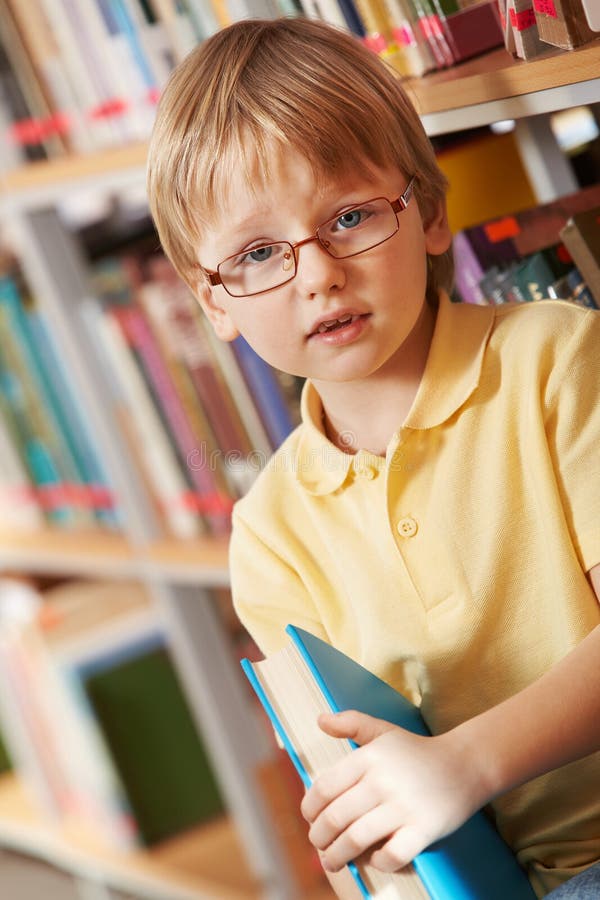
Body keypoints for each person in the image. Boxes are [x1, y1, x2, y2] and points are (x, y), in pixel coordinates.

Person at [146, 17, 600, 898]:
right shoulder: (270, 534)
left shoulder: (558, 360)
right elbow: (367, 802)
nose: (316, 274)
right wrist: (370, 833)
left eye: (349, 216)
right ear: (216, 303)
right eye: (258, 253)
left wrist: (461, 765)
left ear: (428, 213)